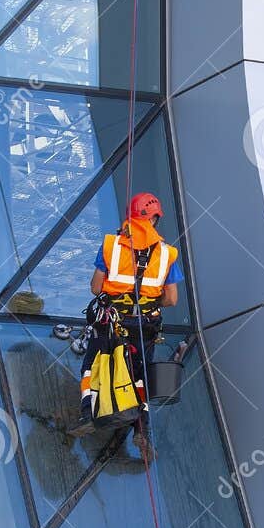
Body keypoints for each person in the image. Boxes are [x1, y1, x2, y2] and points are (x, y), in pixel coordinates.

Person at [79, 192, 183, 456]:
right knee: (140, 374)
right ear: (155, 218)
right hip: (145, 325)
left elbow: (95, 288)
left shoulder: (112, 246)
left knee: (94, 366)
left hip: (112, 322)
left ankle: (87, 415)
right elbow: (171, 298)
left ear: (131, 216)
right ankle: (141, 430)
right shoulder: (167, 253)